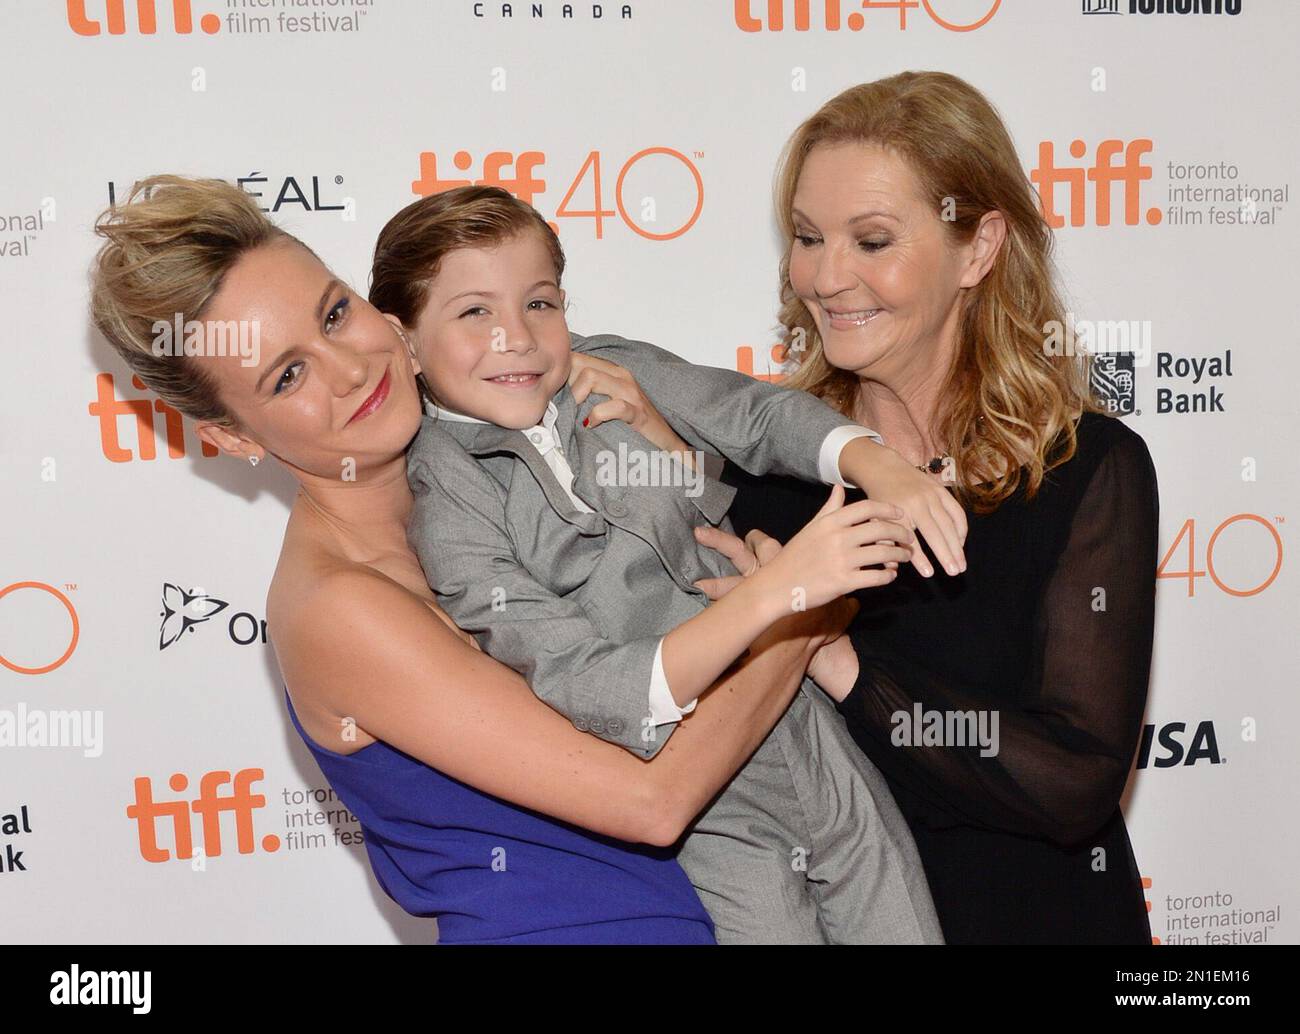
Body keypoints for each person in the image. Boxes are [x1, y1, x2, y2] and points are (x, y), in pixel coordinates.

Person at [88, 174, 859, 944]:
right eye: (288, 375)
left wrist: (672, 461)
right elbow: (650, 803)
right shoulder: (340, 606)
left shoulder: (506, 459)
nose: (350, 368)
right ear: (235, 438)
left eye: (333, 314)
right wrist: (792, 610)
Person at [369, 186, 956, 943]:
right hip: (708, 792)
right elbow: (581, 677)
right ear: (404, 339)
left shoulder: (608, 366)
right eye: (473, 312)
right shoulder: (448, 496)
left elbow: (755, 414)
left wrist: (875, 461)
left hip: (809, 731)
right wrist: (781, 592)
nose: (515, 336)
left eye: (540, 303)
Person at [718, 71, 1159, 944]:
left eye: (872, 239)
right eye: (807, 236)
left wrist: (835, 659)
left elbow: (1074, 783)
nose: (826, 275)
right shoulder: (761, 478)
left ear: (980, 247)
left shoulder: (1081, 468)